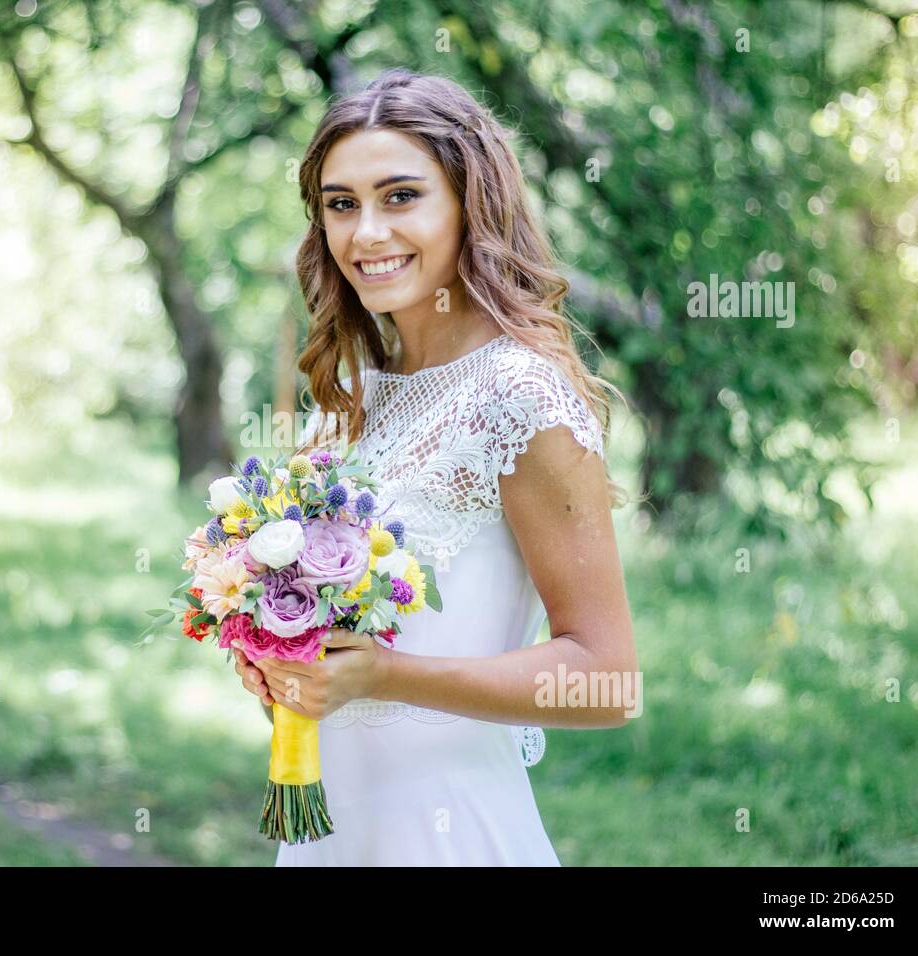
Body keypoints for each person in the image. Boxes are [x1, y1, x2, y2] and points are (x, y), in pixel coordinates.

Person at [231, 68, 640, 865]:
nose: (367, 233)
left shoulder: (519, 396)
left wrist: (384, 674)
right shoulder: (347, 406)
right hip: (332, 836)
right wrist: (283, 663)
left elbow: (607, 679)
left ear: (469, 204)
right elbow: (343, 664)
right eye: (341, 204)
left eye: (400, 196)